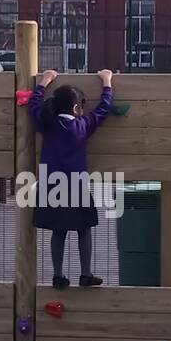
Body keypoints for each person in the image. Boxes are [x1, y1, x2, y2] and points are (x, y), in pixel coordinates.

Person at [27, 68, 114, 288]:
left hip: (50, 184)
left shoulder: (47, 123)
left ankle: (58, 275)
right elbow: (104, 109)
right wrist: (107, 82)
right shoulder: (82, 125)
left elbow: (33, 106)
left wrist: (43, 82)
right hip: (76, 185)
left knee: (59, 230)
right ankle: (85, 274)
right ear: (77, 108)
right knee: (84, 228)